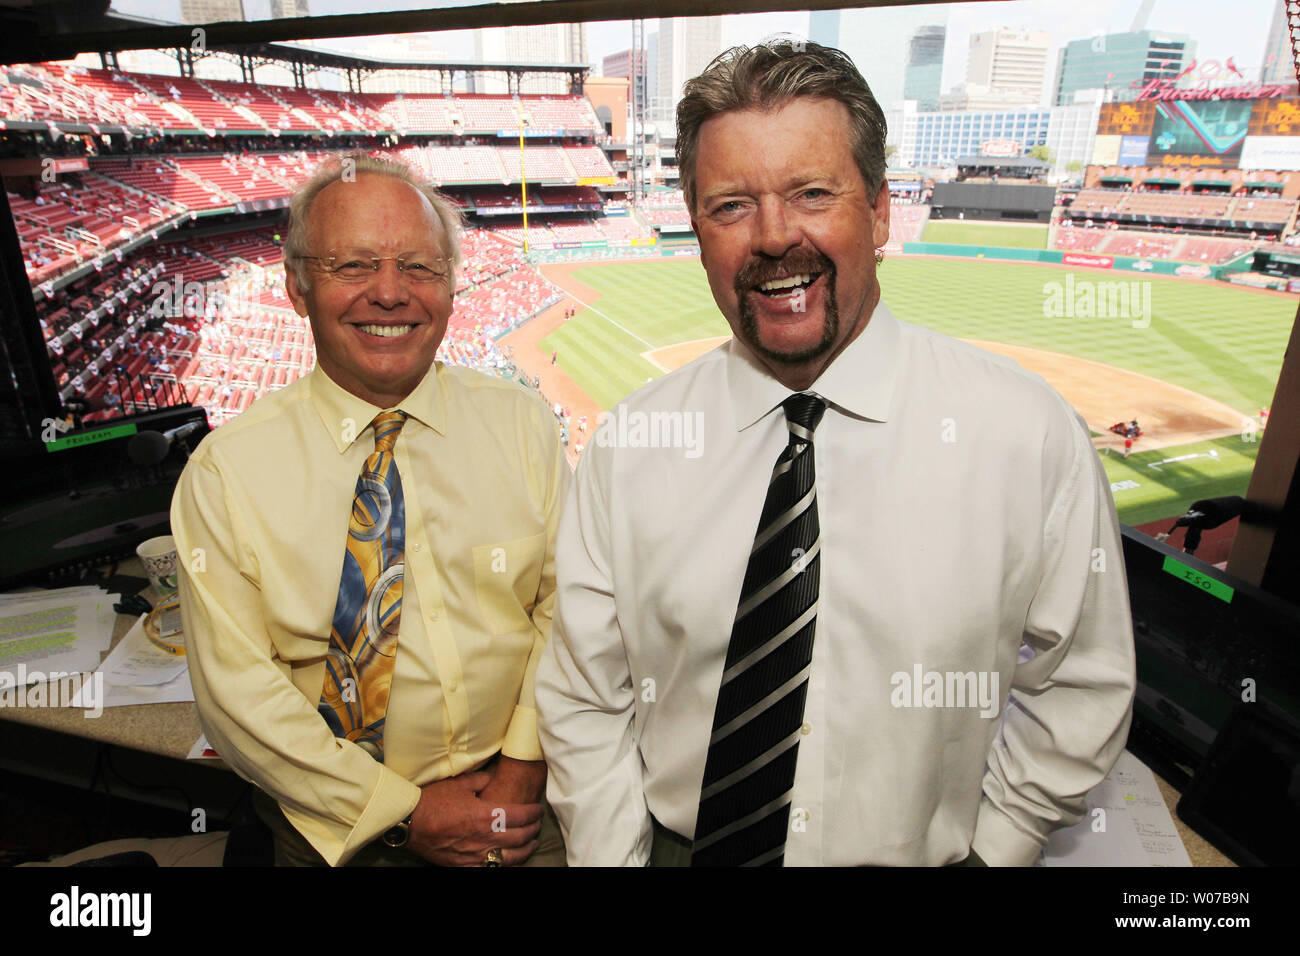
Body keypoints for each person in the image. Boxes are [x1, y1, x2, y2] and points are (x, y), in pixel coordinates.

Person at [535, 40, 1136, 867]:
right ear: (697, 228)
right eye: (731, 205)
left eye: (813, 193)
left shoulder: (1026, 437)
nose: (776, 237)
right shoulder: (629, 450)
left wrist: (998, 850)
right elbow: (584, 698)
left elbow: (1080, 683)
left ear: (882, 211)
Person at [172, 152, 570, 867]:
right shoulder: (226, 474)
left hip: (518, 808)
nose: (390, 294)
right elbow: (239, 699)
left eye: (419, 267)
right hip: (334, 831)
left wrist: (523, 765)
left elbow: (566, 609)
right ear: (297, 287)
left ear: (451, 286)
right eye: (353, 266)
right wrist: (401, 814)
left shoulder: (523, 425)